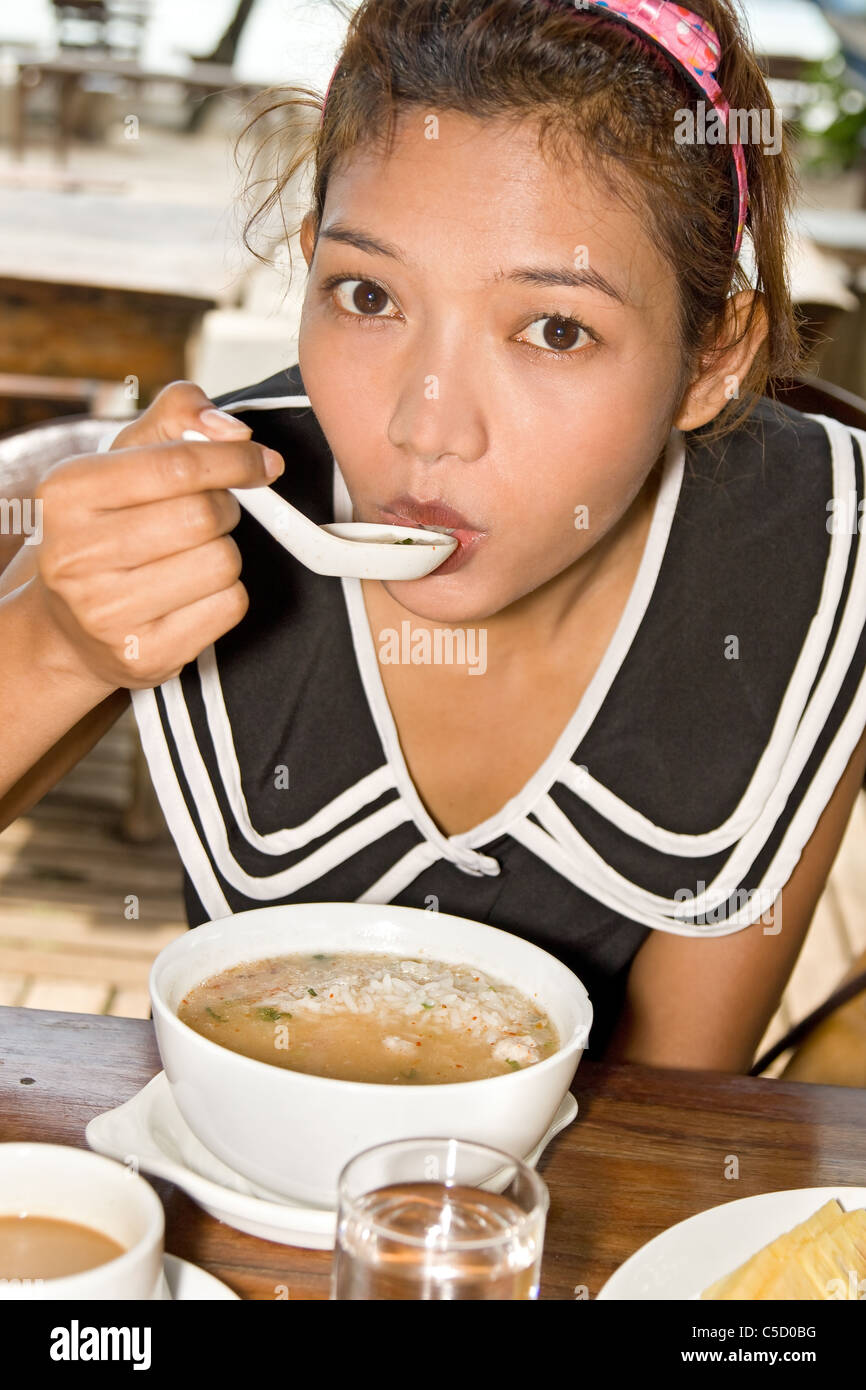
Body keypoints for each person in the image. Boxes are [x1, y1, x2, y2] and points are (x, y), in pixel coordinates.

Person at [3, 0, 866, 1072]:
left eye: (555, 329)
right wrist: (55, 640)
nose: (424, 426)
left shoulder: (818, 555)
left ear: (712, 359)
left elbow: (674, 1113)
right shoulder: (226, 498)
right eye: (367, 295)